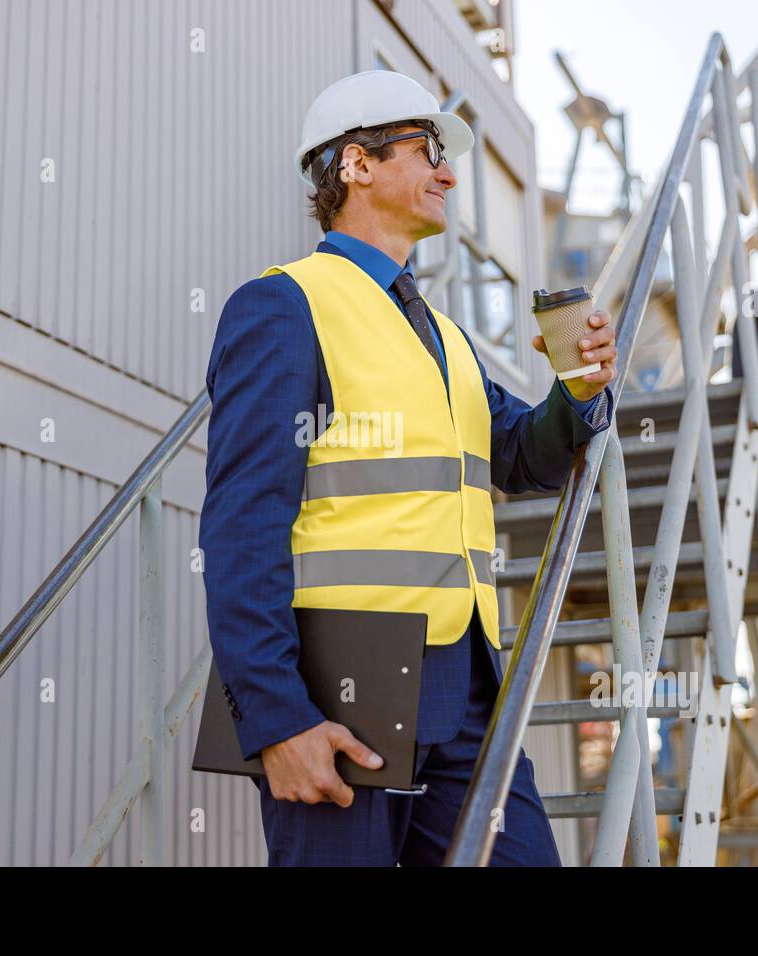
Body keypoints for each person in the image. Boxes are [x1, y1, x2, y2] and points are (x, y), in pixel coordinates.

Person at [199, 70, 617, 866]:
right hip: (341, 685)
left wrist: (578, 390)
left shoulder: (448, 339)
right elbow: (240, 527)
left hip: (466, 686)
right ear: (355, 165)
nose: (450, 173)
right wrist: (277, 717)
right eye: (427, 150)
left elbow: (521, 457)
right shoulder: (285, 305)